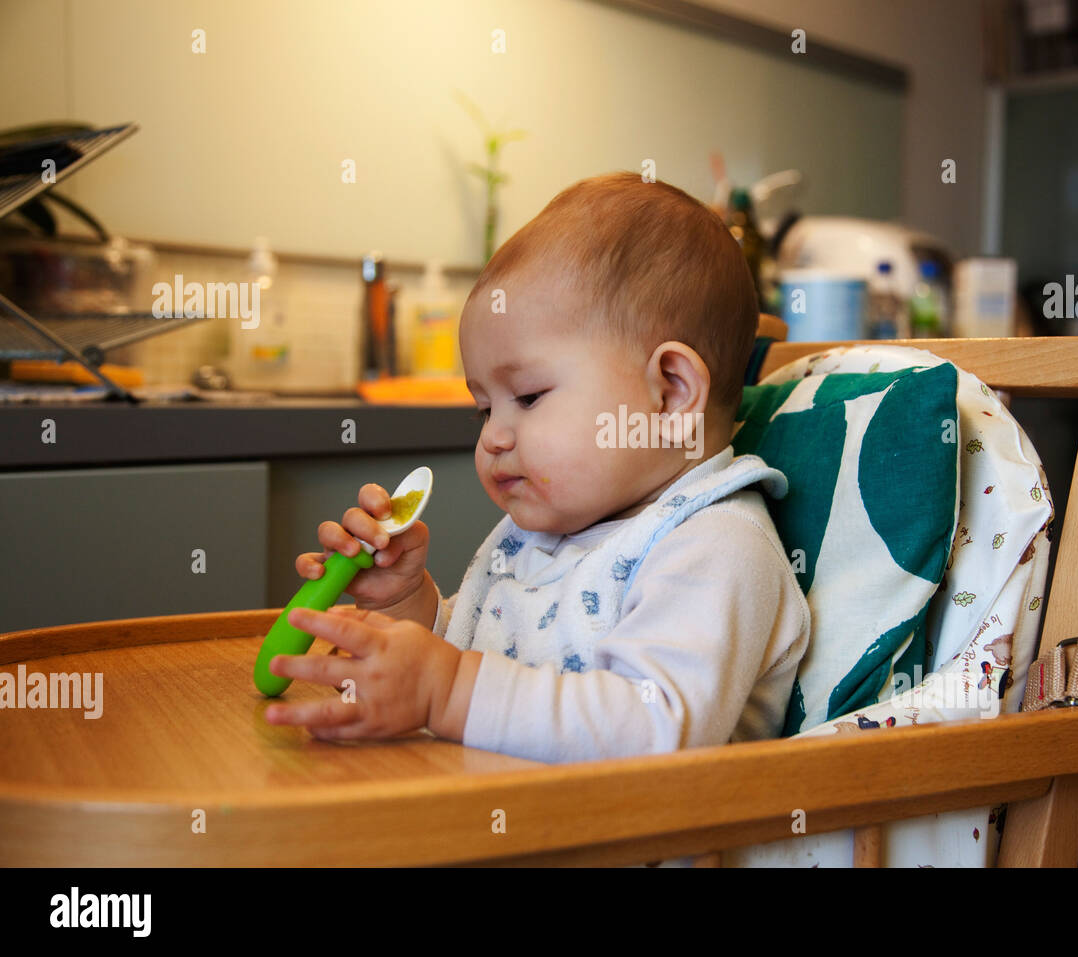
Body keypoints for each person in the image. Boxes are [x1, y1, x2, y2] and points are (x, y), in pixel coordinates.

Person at [265, 171, 810, 764]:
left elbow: (655, 728)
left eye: (526, 397)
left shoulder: (718, 548)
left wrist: (445, 690)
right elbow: (505, 666)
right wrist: (409, 609)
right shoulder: (558, 529)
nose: (494, 436)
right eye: (483, 409)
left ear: (671, 393)